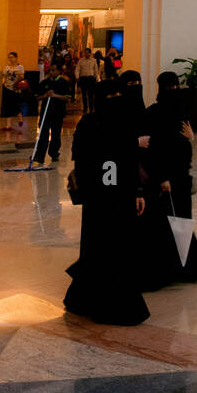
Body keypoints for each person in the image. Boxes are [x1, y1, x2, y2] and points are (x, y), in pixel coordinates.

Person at [64, 81, 149, 325]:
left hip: (118, 196)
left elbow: (129, 163)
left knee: (116, 247)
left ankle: (99, 298)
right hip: (98, 198)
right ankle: (100, 301)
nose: (116, 100)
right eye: (111, 96)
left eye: (119, 95)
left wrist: (137, 192)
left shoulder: (119, 122)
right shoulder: (91, 124)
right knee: (98, 246)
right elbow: (86, 158)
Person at [137, 71, 197, 288]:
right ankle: (171, 270)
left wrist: (192, 138)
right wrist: (161, 177)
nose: (174, 91)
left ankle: (184, 268)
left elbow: (184, 145)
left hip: (181, 178)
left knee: (182, 222)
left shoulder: (178, 111)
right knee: (167, 225)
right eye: (171, 87)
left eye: (175, 87)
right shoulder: (153, 114)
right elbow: (152, 150)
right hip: (165, 180)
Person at [34, 62, 72, 164]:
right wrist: (45, 95)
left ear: (59, 71)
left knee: (56, 135)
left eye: (53, 70)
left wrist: (54, 95)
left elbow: (67, 98)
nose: (51, 72)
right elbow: (37, 97)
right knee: (43, 135)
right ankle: (40, 156)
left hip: (57, 114)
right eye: (50, 70)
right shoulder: (44, 83)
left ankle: (54, 153)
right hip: (45, 114)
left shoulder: (64, 82)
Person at [1, 51, 27, 135]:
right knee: (7, 106)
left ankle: (20, 118)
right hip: (7, 88)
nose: (10, 59)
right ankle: (8, 125)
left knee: (15, 105)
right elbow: (4, 76)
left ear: (16, 58)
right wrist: (3, 83)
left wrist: (17, 73)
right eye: (9, 57)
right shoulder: (6, 67)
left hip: (15, 88)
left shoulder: (20, 67)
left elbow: (22, 77)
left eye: (12, 57)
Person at [75, 47, 99, 114]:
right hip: (83, 79)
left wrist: (95, 77)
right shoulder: (81, 60)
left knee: (91, 95)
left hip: (91, 79)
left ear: (90, 53)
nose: (86, 53)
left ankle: (91, 108)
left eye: (88, 52)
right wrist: (77, 77)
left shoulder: (94, 60)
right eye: (85, 52)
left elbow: (96, 70)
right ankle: (85, 108)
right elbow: (77, 69)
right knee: (84, 95)